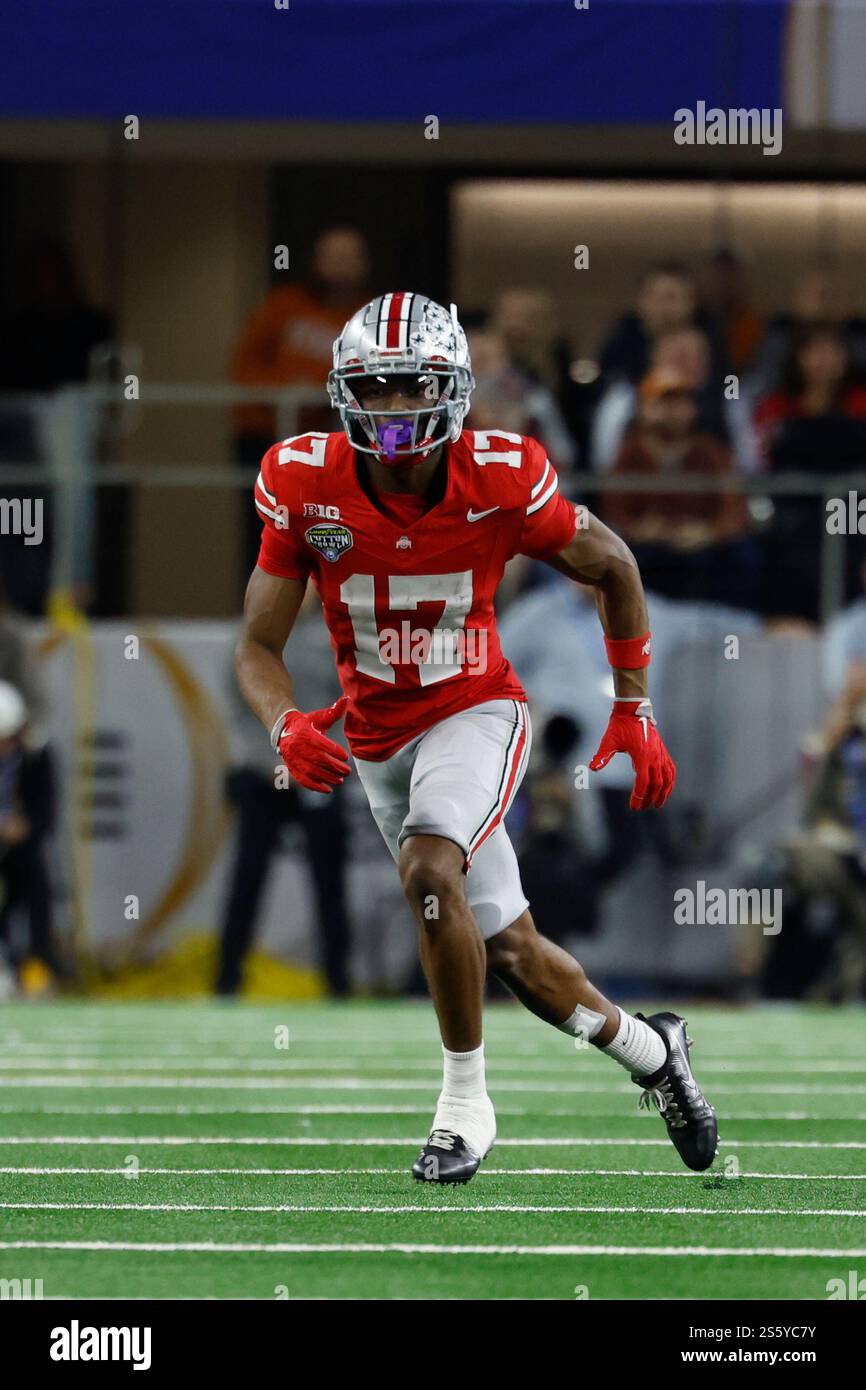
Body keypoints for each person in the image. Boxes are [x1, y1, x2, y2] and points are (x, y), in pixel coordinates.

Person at [235, 292, 716, 1184]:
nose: (390, 412)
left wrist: (634, 706)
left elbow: (614, 565)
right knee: (516, 957)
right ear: (345, 395)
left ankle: (463, 1109)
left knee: (428, 868)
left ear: (452, 390)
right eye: (373, 390)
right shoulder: (304, 481)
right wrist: (282, 722)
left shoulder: (500, 474)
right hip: (379, 742)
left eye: (410, 388)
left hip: (475, 711)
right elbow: (258, 646)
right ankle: (656, 1054)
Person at [216, 587, 352, 997]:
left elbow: (351, 705)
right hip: (265, 773)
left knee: (329, 882)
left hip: (319, 775)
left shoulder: (335, 636)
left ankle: (338, 984)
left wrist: (325, 758)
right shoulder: (254, 635)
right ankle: (226, 979)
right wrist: (272, 759)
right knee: (248, 876)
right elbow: (240, 708)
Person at [230, 227, 372, 572]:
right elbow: (244, 367)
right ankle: (259, 618)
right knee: (264, 532)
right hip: (266, 436)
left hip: (333, 445)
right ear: (316, 262)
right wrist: (282, 391)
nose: (340, 267)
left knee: (330, 532)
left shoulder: (371, 315)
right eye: (332, 257)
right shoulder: (283, 306)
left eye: (349, 258)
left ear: (364, 265)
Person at [602, 368, 754, 608]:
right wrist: (639, 530)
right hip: (646, 551)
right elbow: (613, 512)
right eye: (662, 403)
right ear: (643, 409)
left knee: (743, 557)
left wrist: (709, 532)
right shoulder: (628, 455)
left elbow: (735, 510)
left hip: (702, 549)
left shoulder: (712, 452)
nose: (671, 412)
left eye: (680, 403)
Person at [754, 323, 866, 622]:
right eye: (814, 351)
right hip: (794, 519)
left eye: (833, 351)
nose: (824, 359)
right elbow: (762, 464)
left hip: (851, 514)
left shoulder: (860, 404)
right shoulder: (776, 407)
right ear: (798, 358)